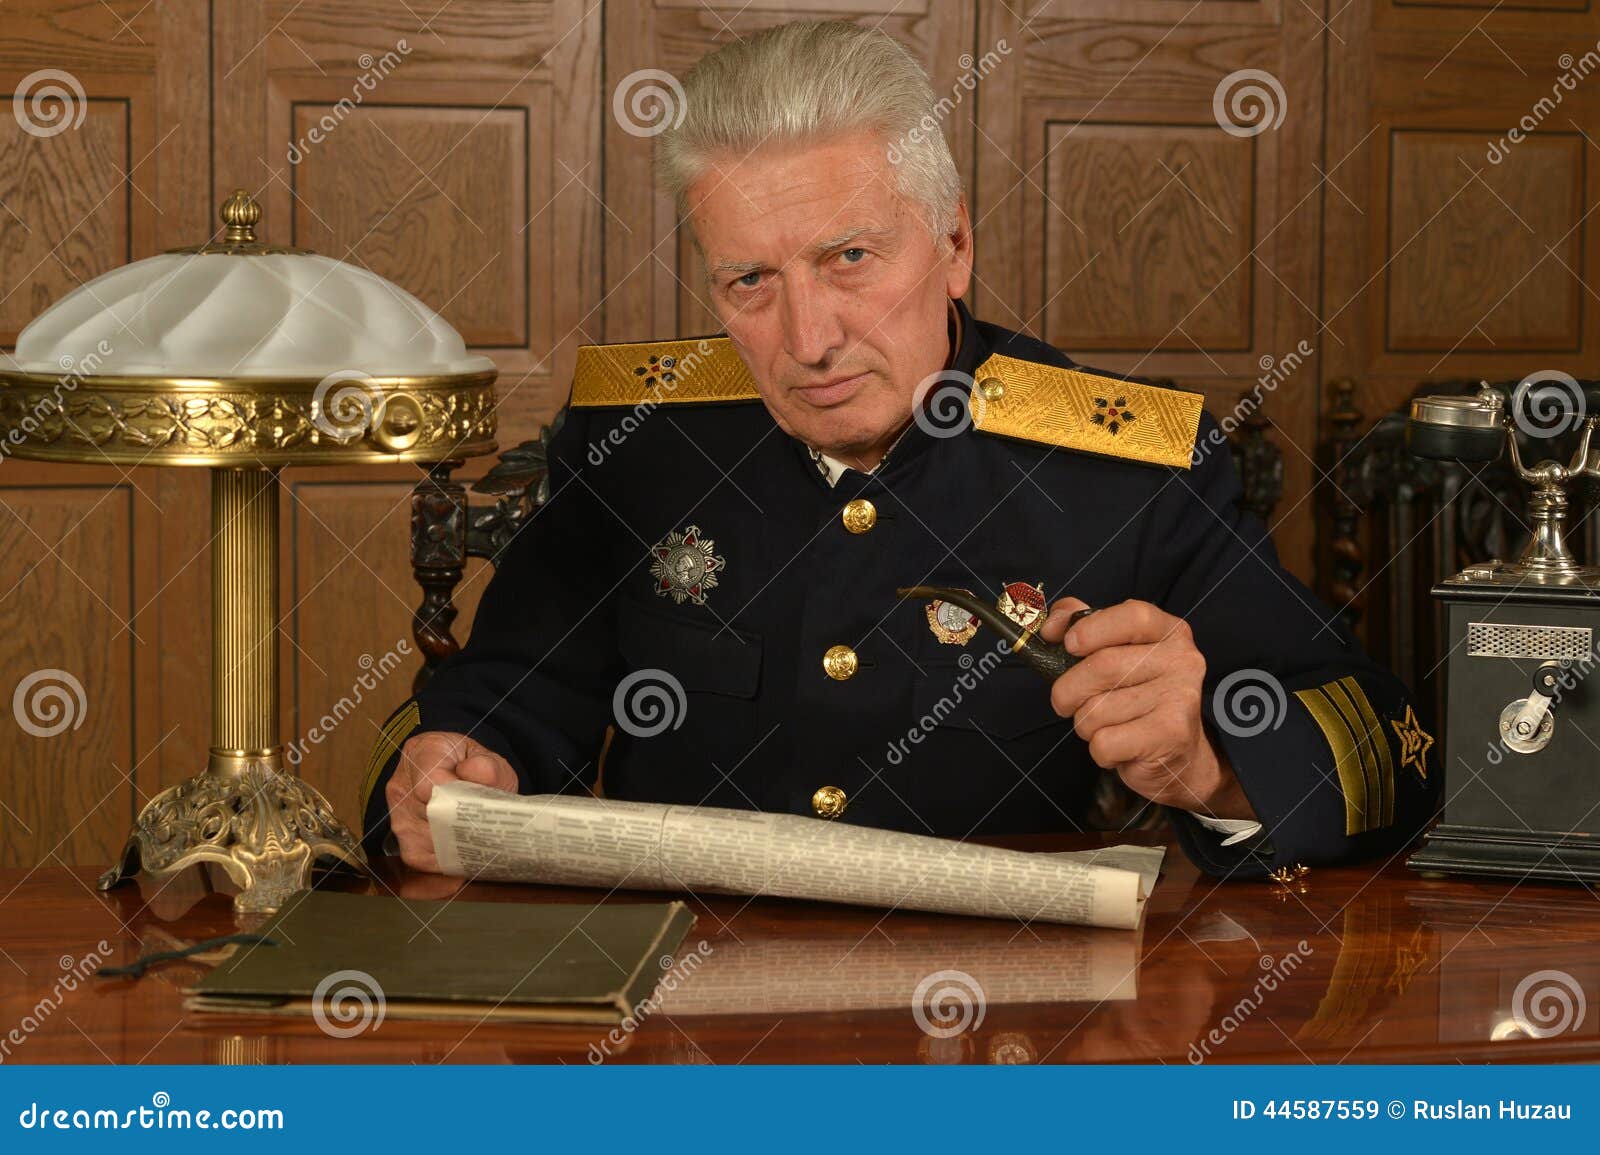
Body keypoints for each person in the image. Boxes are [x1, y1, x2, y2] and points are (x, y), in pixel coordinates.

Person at [359, 20, 1439, 880]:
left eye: (851, 258)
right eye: (751, 282)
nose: (809, 338)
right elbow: (504, 694)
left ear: (955, 243)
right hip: (676, 1024)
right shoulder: (643, 437)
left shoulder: (1125, 468)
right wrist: (466, 762)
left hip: (997, 1038)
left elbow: (1385, 740)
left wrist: (1212, 764)